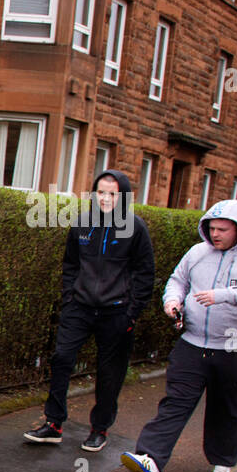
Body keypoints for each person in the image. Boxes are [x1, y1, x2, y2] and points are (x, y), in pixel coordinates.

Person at [122, 198, 237, 472]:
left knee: (229, 407)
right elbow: (177, 280)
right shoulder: (198, 252)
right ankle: (151, 457)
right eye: (211, 228)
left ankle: (223, 461)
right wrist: (172, 301)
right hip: (193, 343)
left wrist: (225, 295)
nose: (215, 234)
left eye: (222, 229)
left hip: (236, 347)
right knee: (175, 401)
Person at [24, 169, 154, 451]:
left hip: (116, 313)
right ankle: (54, 424)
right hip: (79, 308)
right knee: (61, 359)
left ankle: (99, 429)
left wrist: (131, 314)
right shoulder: (82, 224)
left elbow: (145, 275)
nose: (106, 198)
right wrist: (70, 296)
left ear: (123, 196)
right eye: (101, 192)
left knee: (110, 373)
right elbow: (70, 264)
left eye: (112, 193)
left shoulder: (136, 228)